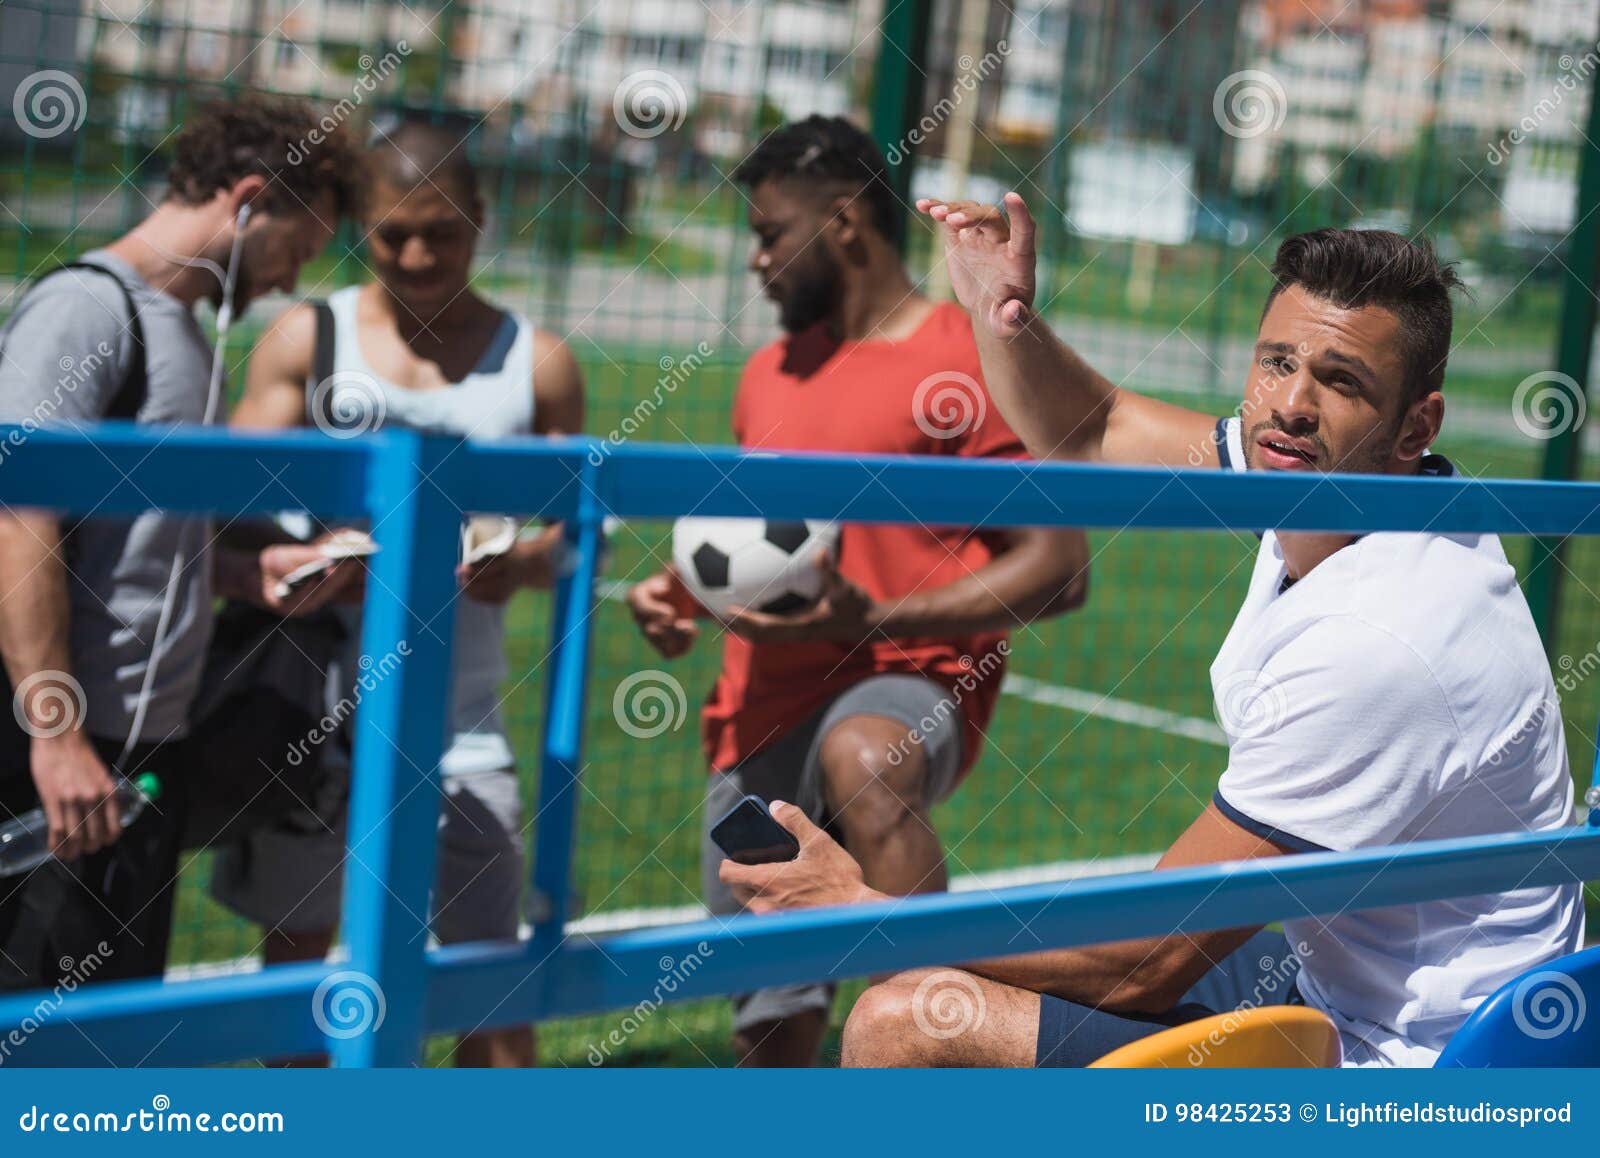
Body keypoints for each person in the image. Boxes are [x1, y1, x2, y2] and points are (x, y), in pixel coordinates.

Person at [717, 199, 1584, 1068]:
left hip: (1416, 1071)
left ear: (1416, 428)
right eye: (1277, 361)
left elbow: (1143, 965)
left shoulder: (1383, 639)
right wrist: (1003, 319)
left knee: (904, 1020)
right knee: (997, 954)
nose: (1292, 404)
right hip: (1337, 992)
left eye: (1343, 380)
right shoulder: (1340, 483)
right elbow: (1096, 428)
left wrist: (861, 911)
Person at [626, 118, 1090, 1067]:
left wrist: (874, 617)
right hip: (759, 704)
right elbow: (760, 543)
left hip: (908, 680)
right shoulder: (767, 374)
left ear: (843, 224)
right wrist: (682, 595)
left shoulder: (970, 356)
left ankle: (938, 1050)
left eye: (769, 233)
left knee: (868, 760)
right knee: (770, 1027)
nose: (754, 259)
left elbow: (1059, 566)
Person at [217, 121, 585, 1068]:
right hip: (313, 719)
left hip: (463, 725)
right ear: (360, 227)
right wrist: (312, 561)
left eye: (443, 232)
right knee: (300, 988)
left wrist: (522, 563)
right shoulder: (312, 337)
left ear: (481, 220)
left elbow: (571, 544)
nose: (418, 256)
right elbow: (231, 518)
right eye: (392, 234)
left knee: (493, 995)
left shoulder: (535, 362)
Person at [0, 95, 362, 994]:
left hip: (134, 754)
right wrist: (57, 735)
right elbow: (18, 518)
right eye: (293, 251)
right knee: (42, 1041)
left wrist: (245, 570)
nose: (284, 284)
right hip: (55, 753)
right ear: (246, 202)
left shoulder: (187, 338)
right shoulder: (87, 311)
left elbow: (135, 542)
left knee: (111, 1033)